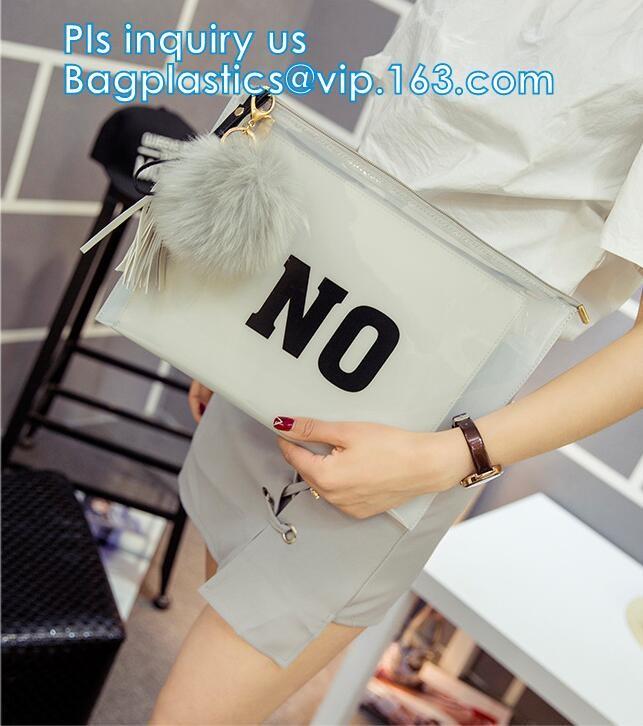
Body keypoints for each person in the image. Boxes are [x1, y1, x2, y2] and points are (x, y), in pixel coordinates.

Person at [151, 1, 643, 722]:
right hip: (301, 326)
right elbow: (389, 160)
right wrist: (242, 334)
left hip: (415, 428)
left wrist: (451, 457)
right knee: (222, 611)